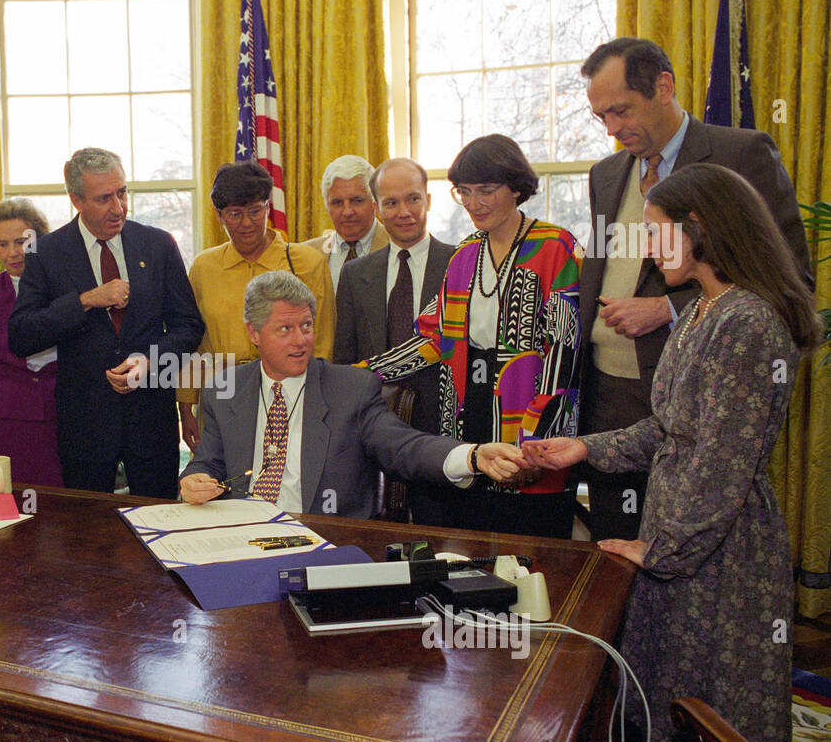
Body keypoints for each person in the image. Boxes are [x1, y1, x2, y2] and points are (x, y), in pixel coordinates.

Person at [522, 164, 820, 742]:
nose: (648, 250)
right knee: (667, 721)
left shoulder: (746, 322)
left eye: (657, 234)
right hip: (679, 532)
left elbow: (721, 461)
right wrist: (583, 448)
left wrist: (661, 548)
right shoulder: (700, 310)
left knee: (715, 731)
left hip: (719, 551)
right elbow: (668, 429)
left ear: (702, 229)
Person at [579, 37, 810, 541]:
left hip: (694, 396)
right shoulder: (605, 173)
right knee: (616, 545)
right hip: (604, 392)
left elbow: (787, 277)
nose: (613, 130)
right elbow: (601, 266)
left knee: (685, 540)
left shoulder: (741, 154)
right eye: (602, 118)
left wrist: (667, 307)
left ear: (663, 88)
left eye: (621, 111)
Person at [365, 135, 583, 538]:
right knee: (468, 562)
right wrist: (360, 374)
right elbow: (432, 339)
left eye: (486, 190)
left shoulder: (555, 247)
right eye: (464, 191)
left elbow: (562, 359)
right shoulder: (465, 254)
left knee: (532, 569)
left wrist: (535, 446)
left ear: (516, 187)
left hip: (532, 439)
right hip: (466, 436)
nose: (473, 202)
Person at [180, 271, 528, 518]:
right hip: (242, 533)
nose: (301, 340)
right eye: (284, 329)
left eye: (306, 326)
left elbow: (403, 446)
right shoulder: (222, 391)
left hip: (326, 537)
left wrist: (471, 456)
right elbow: (206, 463)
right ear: (253, 333)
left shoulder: (350, 388)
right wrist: (192, 481)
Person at [8, 147, 204, 499]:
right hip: (84, 426)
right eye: (103, 198)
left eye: (122, 192)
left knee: (158, 524)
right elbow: (22, 335)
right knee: (86, 537)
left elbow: (188, 325)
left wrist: (148, 360)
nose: (118, 207)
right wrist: (85, 301)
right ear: (76, 200)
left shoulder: (158, 244)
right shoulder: (45, 252)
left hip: (151, 421)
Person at [179, 161, 336, 451]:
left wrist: (310, 401)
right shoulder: (204, 268)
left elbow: (322, 342)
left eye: (255, 211)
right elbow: (196, 342)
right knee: (224, 482)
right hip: (222, 397)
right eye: (235, 214)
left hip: (290, 393)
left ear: (268, 206)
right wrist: (186, 403)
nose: (247, 223)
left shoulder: (306, 263)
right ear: (219, 216)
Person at [335, 157, 458, 525]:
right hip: (377, 426)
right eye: (391, 203)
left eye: (413, 199)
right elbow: (346, 358)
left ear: (429, 201)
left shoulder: (461, 264)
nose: (404, 212)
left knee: (439, 537)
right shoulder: (356, 274)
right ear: (377, 208)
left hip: (444, 431)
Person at [0, 198, 61, 488]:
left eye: (21, 242)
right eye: (2, 244)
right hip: (0, 420)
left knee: (57, 507)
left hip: (57, 415)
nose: (12, 252)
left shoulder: (65, 288)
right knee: (0, 504)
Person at [300, 155, 390, 288]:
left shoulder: (399, 249)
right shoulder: (305, 255)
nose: (347, 212)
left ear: (374, 202)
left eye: (357, 201)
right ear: (327, 206)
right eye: (337, 202)